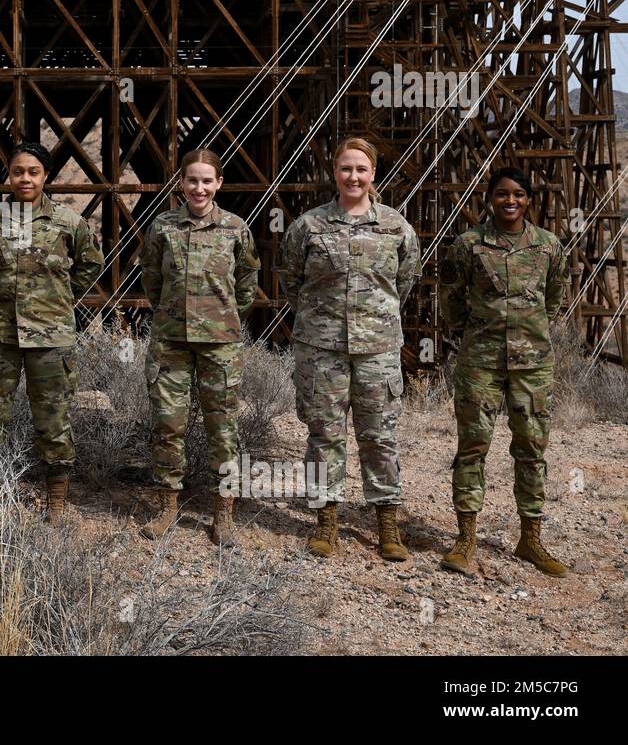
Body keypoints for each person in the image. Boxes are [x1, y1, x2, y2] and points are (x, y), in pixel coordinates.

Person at [279, 136, 421, 560]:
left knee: (379, 437)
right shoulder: (309, 226)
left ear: (372, 173)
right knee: (325, 434)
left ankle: (387, 525)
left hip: (377, 348)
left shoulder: (396, 227)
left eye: (361, 169)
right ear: (335, 173)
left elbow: (404, 282)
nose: (353, 176)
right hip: (321, 349)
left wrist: (372, 317)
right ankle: (326, 521)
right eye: (345, 168)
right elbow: (291, 281)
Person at [0, 142, 105, 522]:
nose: (25, 178)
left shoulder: (68, 222)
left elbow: (90, 265)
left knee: (53, 418)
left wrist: (58, 298)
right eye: (18, 171)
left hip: (50, 337)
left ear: (46, 176)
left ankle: (56, 499)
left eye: (33, 172)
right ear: (9, 174)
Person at [439, 167, 571, 577]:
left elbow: (554, 297)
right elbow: (451, 296)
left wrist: (532, 333)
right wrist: (472, 332)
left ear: (529, 200)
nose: (509, 201)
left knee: (532, 450)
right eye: (501, 194)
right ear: (489, 198)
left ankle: (530, 539)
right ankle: (465, 539)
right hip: (481, 362)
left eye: (518, 194)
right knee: (473, 447)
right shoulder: (468, 245)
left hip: (533, 366)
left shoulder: (548, 246)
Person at [138, 149, 259, 542]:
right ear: (181, 183)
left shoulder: (236, 229)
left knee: (222, 429)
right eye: (192, 180)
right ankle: (166, 508)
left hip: (220, 345)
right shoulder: (163, 227)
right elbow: (152, 279)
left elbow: (246, 284)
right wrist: (171, 313)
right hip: (171, 341)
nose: (199, 188)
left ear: (219, 184)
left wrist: (223, 317)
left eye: (207, 181)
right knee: (167, 425)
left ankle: (223, 515)